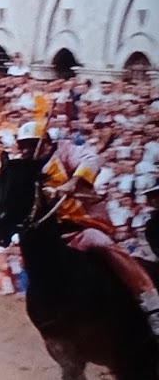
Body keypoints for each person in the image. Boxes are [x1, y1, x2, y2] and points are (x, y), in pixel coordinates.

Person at [29, 122, 159, 340]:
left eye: (32, 144)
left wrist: (73, 182)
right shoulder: (27, 168)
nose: (28, 150)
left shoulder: (65, 150)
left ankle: (151, 302)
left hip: (83, 224)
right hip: (53, 230)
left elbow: (93, 159)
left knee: (104, 245)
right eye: (24, 146)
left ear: (47, 142)